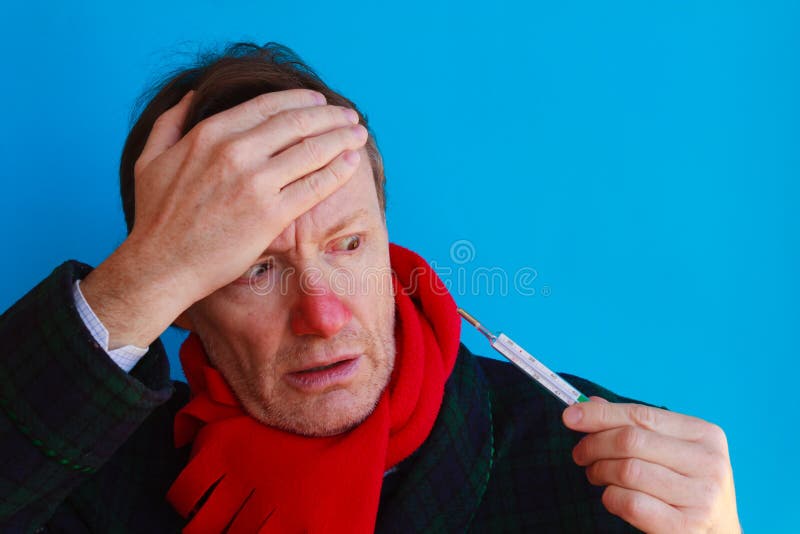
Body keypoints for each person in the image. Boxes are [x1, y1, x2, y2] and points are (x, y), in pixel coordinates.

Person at [0, 42, 740, 533]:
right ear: (183, 299)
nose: (322, 317)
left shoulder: (606, 467)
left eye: (349, 243)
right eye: (255, 267)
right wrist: (139, 278)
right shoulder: (90, 476)